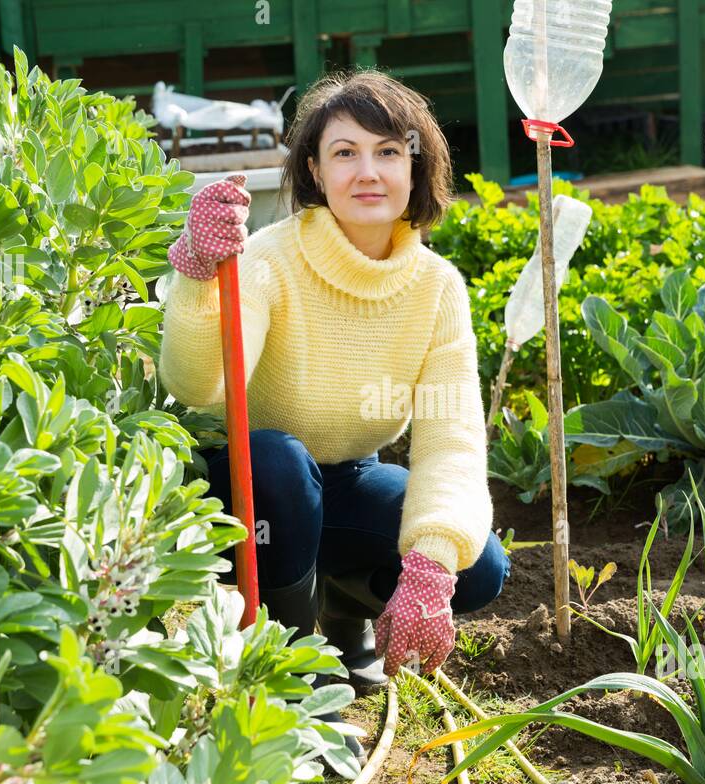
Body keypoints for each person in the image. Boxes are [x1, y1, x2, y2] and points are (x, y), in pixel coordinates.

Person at [156, 71, 510, 734]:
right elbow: (199, 385)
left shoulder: (436, 288)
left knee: (477, 565)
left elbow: (451, 443)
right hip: (245, 487)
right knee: (280, 461)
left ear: (416, 165)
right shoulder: (267, 260)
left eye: (387, 151)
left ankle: (342, 609)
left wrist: (429, 568)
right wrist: (198, 276)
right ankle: (290, 667)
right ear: (315, 171)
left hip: (343, 478)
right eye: (345, 152)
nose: (367, 171)